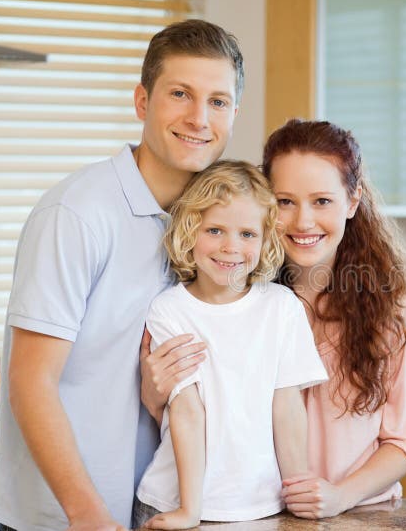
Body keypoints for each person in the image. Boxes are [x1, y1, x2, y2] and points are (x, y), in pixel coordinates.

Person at [0, 20, 243, 530]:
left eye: (217, 101)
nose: (198, 117)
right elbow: (31, 382)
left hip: (146, 514)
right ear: (143, 102)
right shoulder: (77, 214)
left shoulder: (211, 227)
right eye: (180, 94)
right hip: (58, 522)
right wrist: (90, 517)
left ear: (234, 113)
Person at [133, 160, 327, 529]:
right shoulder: (169, 310)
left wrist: (297, 489)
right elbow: (187, 413)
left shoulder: (281, 307)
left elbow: (287, 408)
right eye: (215, 230)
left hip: (263, 507)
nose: (231, 247)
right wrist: (190, 510)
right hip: (174, 502)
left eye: (247, 234)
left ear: (266, 239)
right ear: (190, 231)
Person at [262, 119, 406, 518]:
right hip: (262, 517)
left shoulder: (390, 307)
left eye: (321, 201)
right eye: (285, 201)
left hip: (362, 517)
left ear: (352, 201)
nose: (303, 221)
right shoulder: (245, 301)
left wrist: (341, 496)